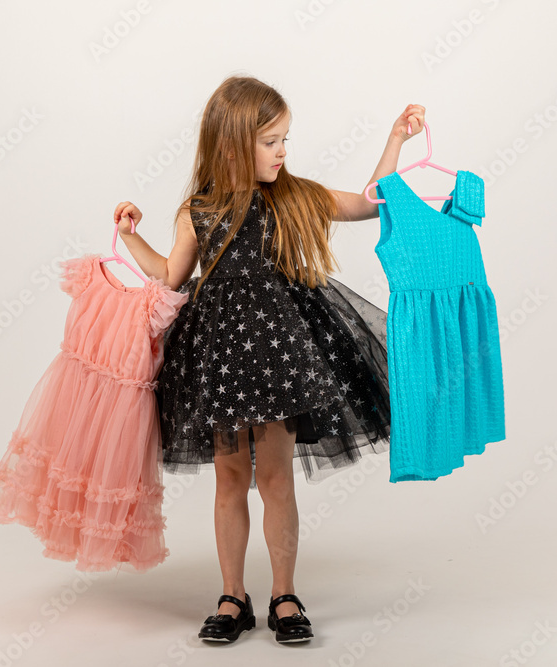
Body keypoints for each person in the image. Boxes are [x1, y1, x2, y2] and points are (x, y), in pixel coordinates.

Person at [113, 74, 425, 644]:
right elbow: (170, 276)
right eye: (272, 141)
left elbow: (369, 203)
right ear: (233, 145)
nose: (284, 151)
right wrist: (131, 237)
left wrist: (395, 142)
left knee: (277, 477)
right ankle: (233, 595)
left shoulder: (292, 194)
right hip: (221, 357)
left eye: (286, 139)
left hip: (279, 354)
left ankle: (285, 595)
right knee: (230, 479)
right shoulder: (198, 210)